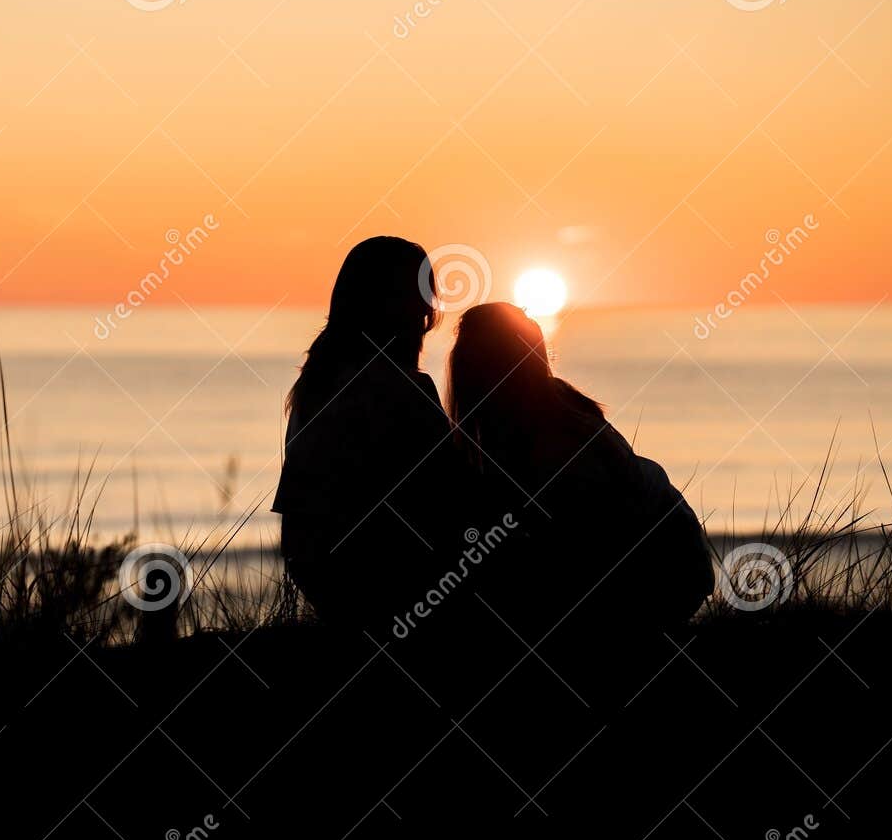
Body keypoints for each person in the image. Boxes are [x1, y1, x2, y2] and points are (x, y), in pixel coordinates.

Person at [446, 302, 712, 630]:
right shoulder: (535, 410)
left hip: (666, 569)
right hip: (663, 558)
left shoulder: (552, 431)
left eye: (469, 351)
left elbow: (590, 536)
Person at [273, 237, 468, 628]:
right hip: (385, 582)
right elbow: (451, 495)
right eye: (423, 299)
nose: (428, 313)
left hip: (321, 575)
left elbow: (299, 522)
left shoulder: (316, 385)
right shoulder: (401, 388)